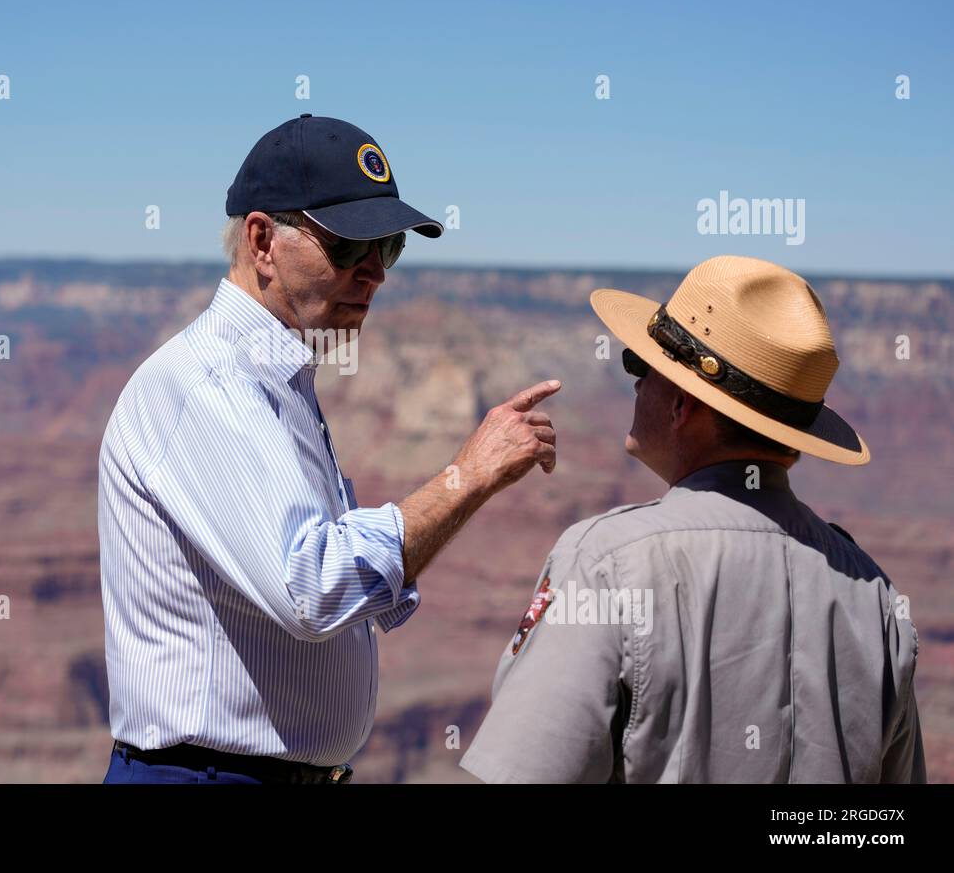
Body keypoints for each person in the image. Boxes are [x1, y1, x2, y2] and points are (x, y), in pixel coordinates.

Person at [98, 114, 561, 783]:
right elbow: (313, 589)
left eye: (390, 248)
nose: (374, 274)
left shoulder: (276, 378)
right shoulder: (208, 385)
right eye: (350, 247)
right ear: (262, 240)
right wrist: (469, 476)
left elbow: (346, 589)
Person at [460, 255, 925, 783]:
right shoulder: (876, 597)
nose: (634, 385)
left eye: (641, 365)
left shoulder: (607, 563)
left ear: (682, 403)